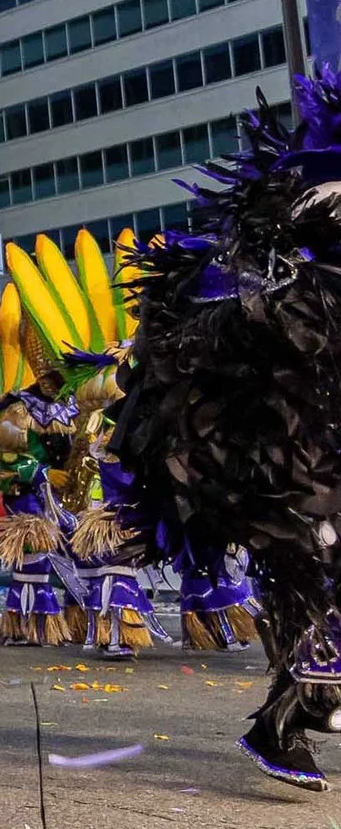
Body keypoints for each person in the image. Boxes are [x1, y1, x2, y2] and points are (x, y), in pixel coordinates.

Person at [108, 68, 341, 788]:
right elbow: (187, 359)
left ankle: (295, 713)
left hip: (317, 462)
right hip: (271, 475)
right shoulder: (253, 275)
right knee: (317, 577)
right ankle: (295, 712)